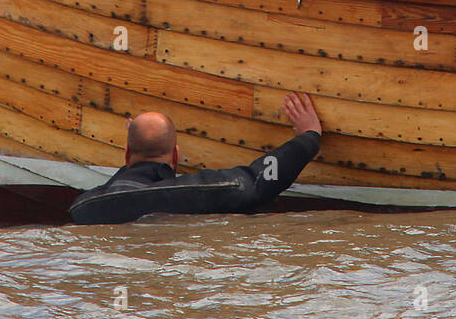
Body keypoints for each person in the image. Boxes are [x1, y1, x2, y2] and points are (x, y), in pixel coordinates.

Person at [67, 92, 323, 224]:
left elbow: (118, 193)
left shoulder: (85, 207)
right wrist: (309, 137)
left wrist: (136, 144)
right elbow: (255, 181)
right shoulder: (188, 193)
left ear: (126, 154)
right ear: (176, 155)